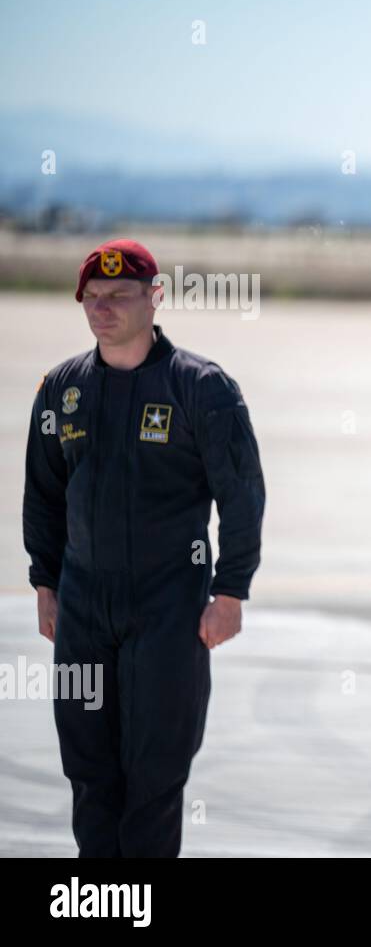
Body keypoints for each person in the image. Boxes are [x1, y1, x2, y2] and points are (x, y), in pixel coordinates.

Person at [23, 239, 266, 857]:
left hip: (170, 608)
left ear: (155, 298)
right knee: (89, 770)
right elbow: (45, 495)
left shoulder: (202, 389)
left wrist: (230, 592)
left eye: (120, 296)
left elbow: (240, 497)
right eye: (93, 298)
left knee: (155, 775)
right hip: (81, 609)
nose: (103, 308)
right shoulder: (62, 390)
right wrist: (46, 586)